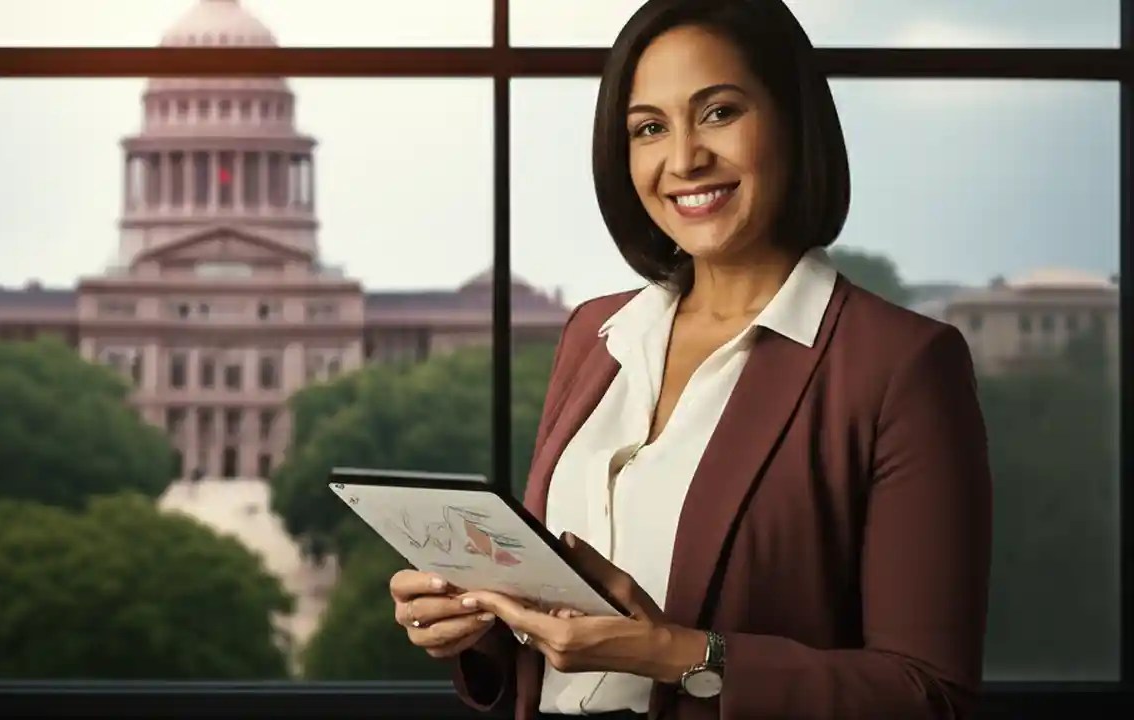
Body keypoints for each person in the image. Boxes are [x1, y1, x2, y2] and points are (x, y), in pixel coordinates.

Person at [388, 0, 992, 718]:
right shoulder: (596, 334)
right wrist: (477, 624)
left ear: (795, 120)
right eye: (649, 128)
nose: (683, 160)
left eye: (719, 113)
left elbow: (929, 695)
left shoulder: (900, 366)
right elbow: (560, 643)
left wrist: (679, 655)